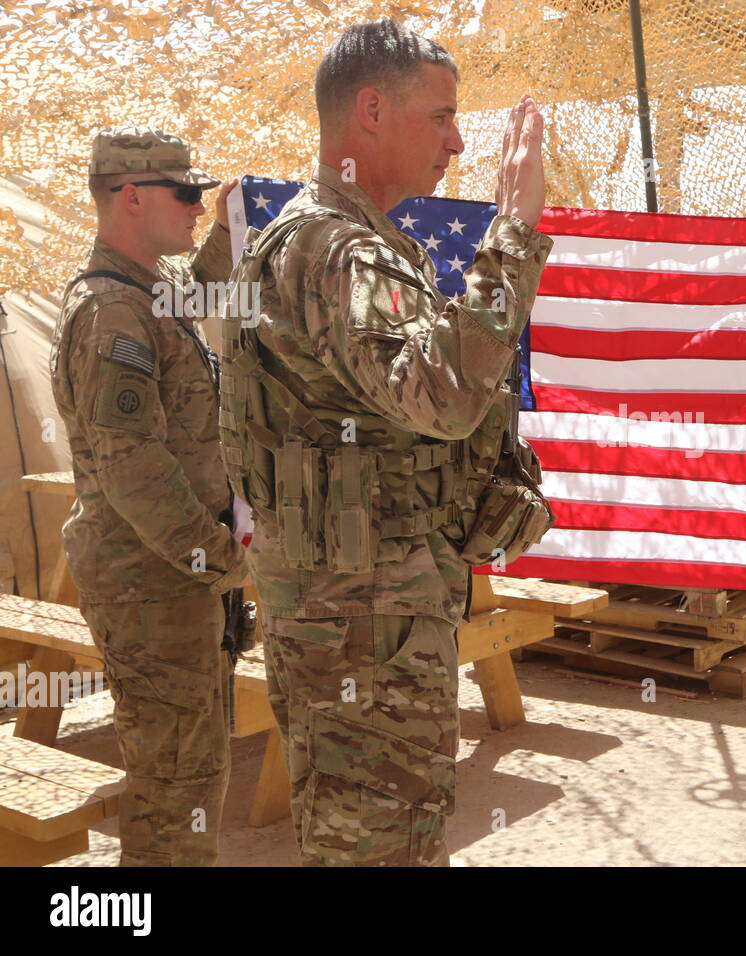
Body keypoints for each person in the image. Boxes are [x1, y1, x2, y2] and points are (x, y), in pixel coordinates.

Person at [219, 18, 553, 866]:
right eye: (441, 117)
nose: (457, 142)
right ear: (370, 110)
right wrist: (513, 233)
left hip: (348, 618)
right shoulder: (340, 250)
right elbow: (444, 398)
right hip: (364, 630)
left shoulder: (321, 238)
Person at [50, 126, 248, 866]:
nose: (196, 205)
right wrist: (223, 559)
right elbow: (133, 467)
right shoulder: (112, 314)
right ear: (132, 197)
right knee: (174, 791)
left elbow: (192, 296)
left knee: (190, 773)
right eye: (186, 193)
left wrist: (224, 232)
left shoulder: (143, 292)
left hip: (172, 578)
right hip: (152, 585)